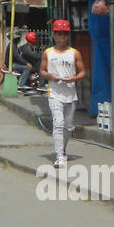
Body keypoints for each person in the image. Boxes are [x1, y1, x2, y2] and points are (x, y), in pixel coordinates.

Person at [41, 19, 84, 168]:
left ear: (68, 36)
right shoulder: (48, 53)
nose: (61, 37)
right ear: (53, 35)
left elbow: (83, 72)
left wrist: (73, 78)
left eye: (64, 34)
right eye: (59, 34)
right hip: (54, 93)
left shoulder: (74, 53)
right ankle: (60, 157)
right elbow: (42, 70)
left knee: (68, 126)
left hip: (70, 94)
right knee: (58, 123)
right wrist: (50, 76)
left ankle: (62, 149)